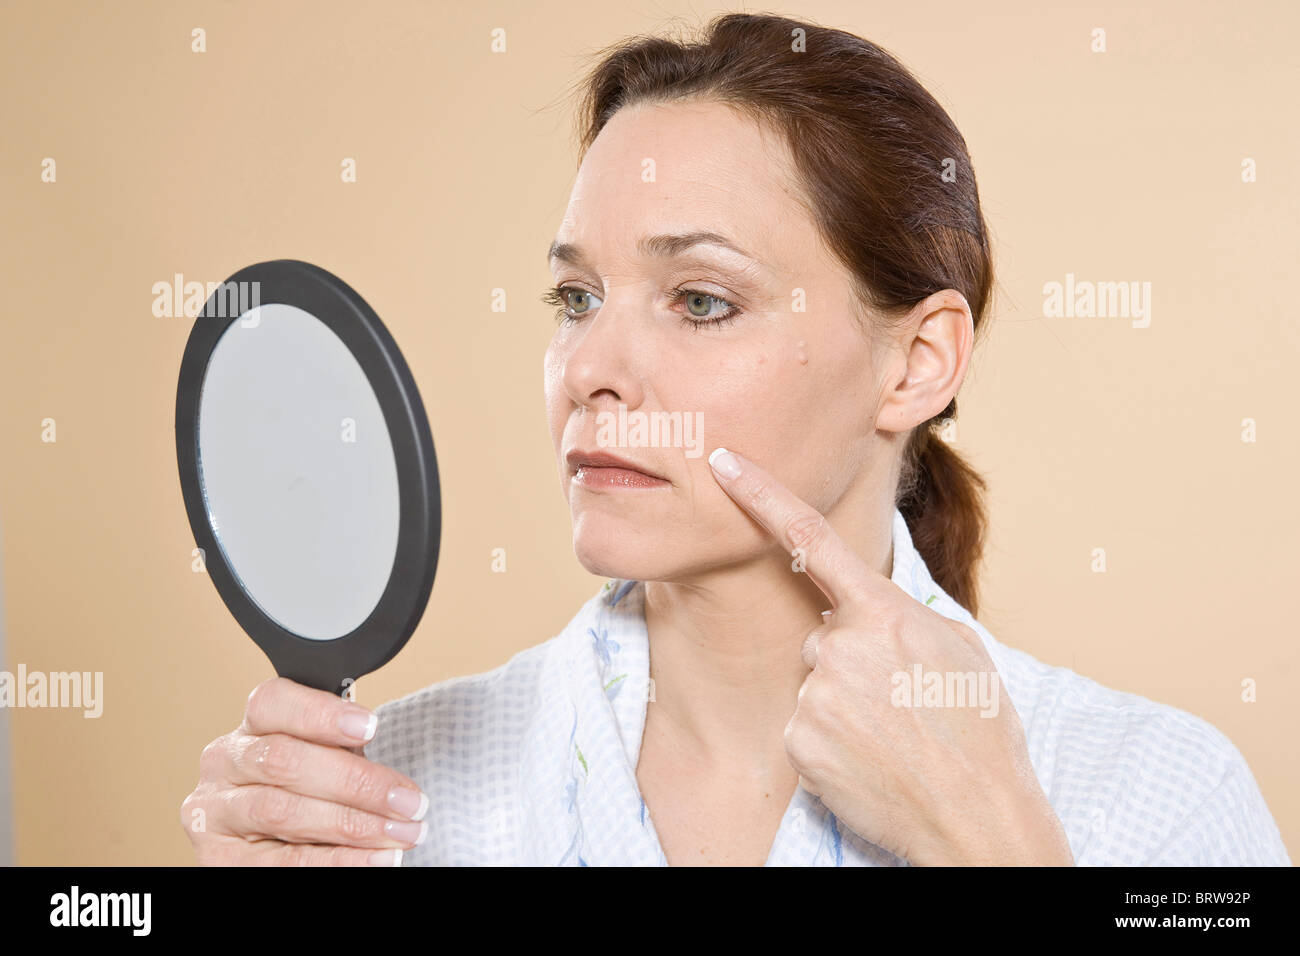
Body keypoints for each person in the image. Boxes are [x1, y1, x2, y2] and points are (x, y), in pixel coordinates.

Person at [181, 12, 1290, 866]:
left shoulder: (1153, 793)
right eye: (575, 297)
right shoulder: (390, 800)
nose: (588, 370)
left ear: (916, 363)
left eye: (700, 299)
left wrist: (990, 841)